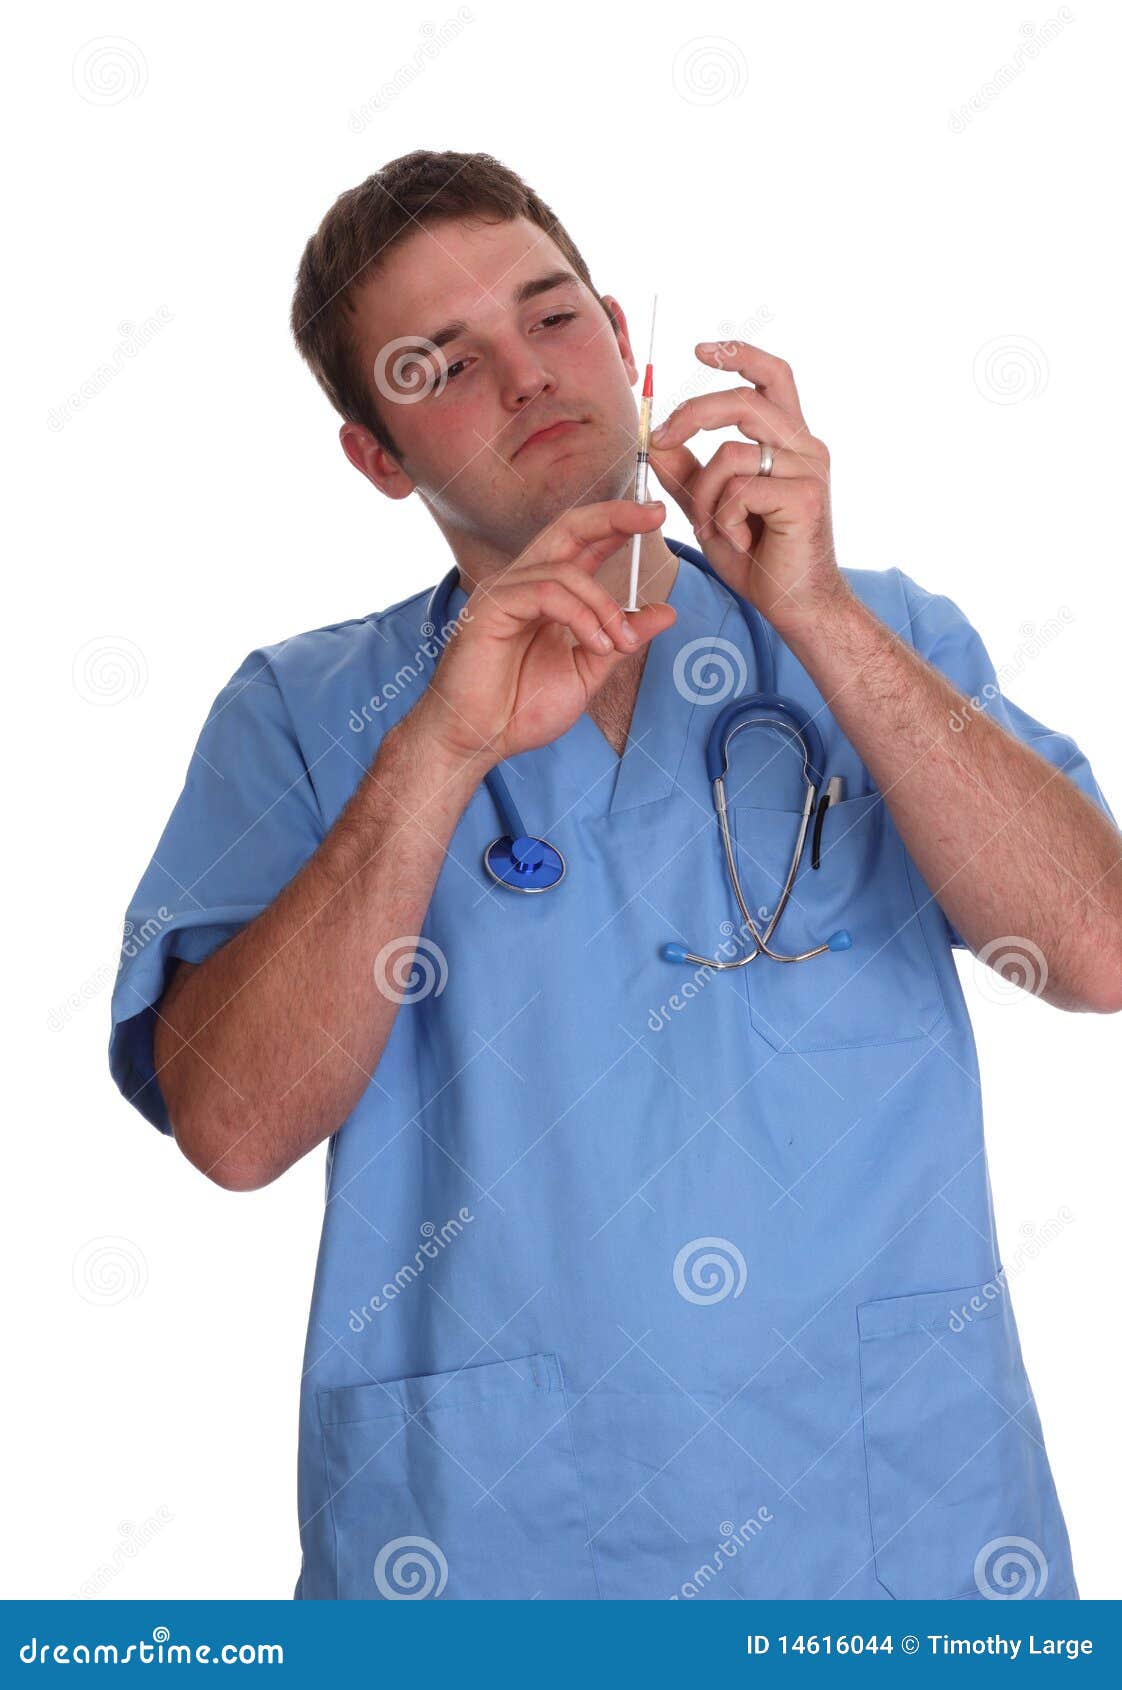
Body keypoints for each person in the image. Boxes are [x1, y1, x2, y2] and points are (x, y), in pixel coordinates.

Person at [109, 149, 1121, 1602]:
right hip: (488, 1549)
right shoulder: (303, 712)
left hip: (893, 1538)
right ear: (378, 455)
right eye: (440, 361)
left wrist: (816, 615)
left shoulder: (877, 640)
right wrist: (442, 746)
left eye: (553, 315)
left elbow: (1092, 954)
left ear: (627, 342)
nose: (527, 375)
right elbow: (231, 1127)